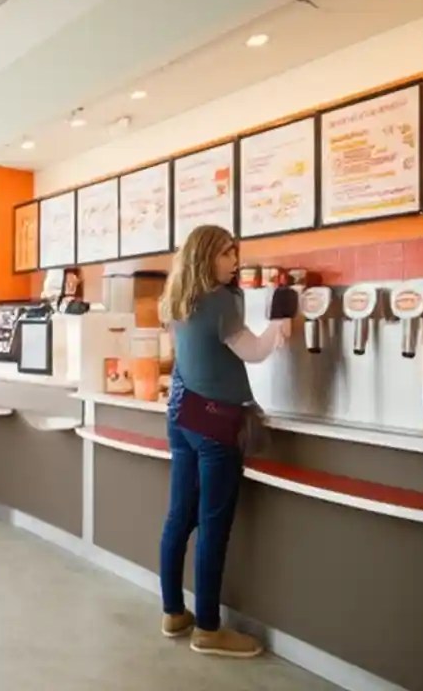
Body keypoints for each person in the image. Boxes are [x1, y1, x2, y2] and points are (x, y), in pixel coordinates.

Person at [156, 224, 290, 658]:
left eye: (235, 253)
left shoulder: (177, 299)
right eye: (227, 253)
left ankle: (174, 613)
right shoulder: (219, 301)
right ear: (206, 257)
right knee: (213, 527)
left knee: (179, 518)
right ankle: (209, 629)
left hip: (181, 417)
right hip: (215, 426)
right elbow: (254, 352)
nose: (235, 261)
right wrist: (281, 321)